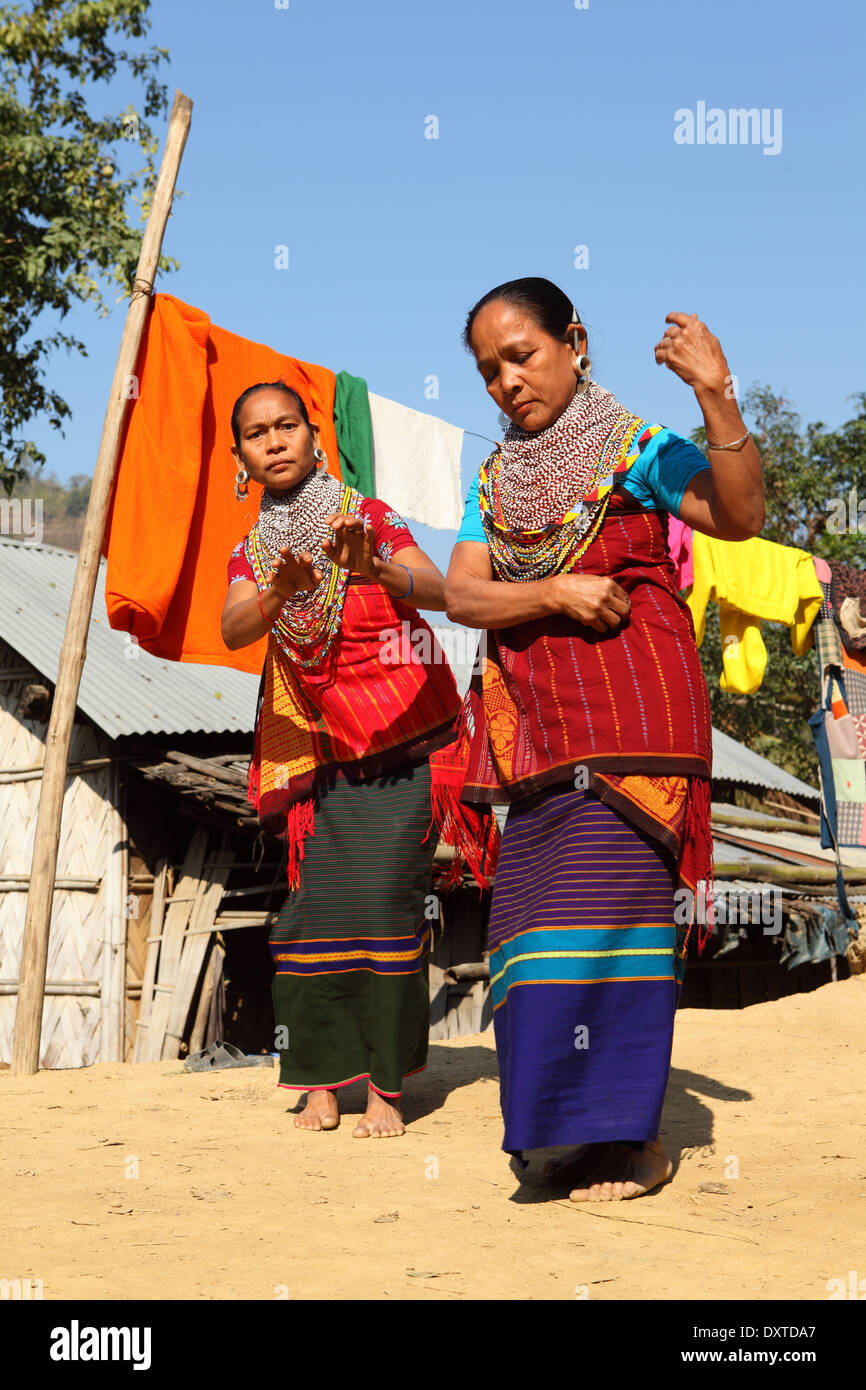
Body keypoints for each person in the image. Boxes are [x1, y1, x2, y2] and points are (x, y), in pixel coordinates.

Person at [444, 278, 764, 1201]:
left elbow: (738, 516)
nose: (506, 382)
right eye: (488, 370)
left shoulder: (630, 446)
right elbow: (465, 593)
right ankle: (562, 1132)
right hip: (535, 732)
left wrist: (716, 395)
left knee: (608, 918)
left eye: (522, 355)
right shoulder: (495, 479)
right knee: (527, 930)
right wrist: (554, 592)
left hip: (633, 719)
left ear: (574, 343)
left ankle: (631, 1141)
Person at [221, 381, 462, 1138]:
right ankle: (322, 1081)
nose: (274, 440)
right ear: (241, 460)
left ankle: (386, 1088)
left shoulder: (370, 517)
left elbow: (443, 590)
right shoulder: (250, 551)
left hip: (397, 741)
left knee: (388, 908)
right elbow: (232, 628)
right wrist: (278, 593)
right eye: (256, 434)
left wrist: (378, 571)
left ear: (314, 435)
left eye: (286, 425)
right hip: (317, 754)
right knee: (311, 918)